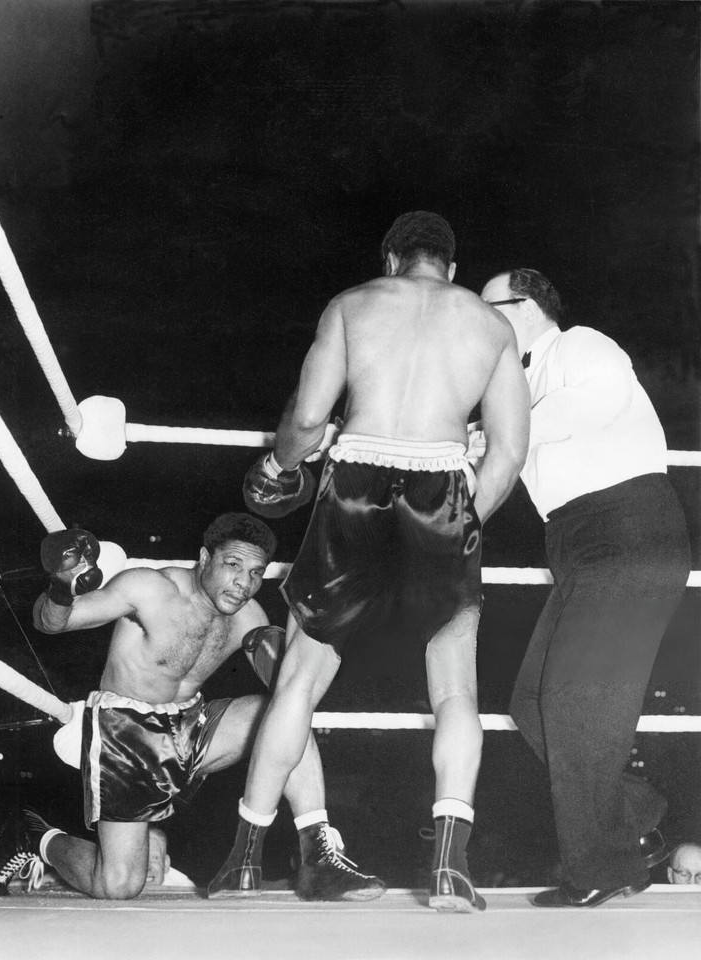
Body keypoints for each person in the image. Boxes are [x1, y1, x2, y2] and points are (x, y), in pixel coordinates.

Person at [209, 212, 530, 912]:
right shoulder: (490, 325)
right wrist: (462, 516)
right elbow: (507, 456)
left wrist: (279, 464)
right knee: (454, 690)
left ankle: (242, 862)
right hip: (442, 488)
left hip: (354, 480)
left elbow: (305, 421)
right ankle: (450, 866)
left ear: (391, 258)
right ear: (452, 263)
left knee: (297, 680)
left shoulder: (353, 305)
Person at [0, 512, 384, 901]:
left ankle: (319, 854)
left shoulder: (248, 616)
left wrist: (319, 625)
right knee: (118, 884)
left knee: (289, 715)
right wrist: (61, 587)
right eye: (233, 565)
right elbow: (54, 622)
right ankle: (34, 837)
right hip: (127, 734)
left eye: (256, 573)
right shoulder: (149, 588)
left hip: (193, 724)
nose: (244, 583)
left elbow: (290, 681)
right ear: (205, 558)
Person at [479, 268, 691, 908]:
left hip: (628, 533)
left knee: (572, 700)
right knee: (532, 699)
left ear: (526, 307)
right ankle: (635, 814)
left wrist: (497, 433)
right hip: (581, 547)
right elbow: (499, 449)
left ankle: (602, 865)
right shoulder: (516, 385)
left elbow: (582, 411)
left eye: (488, 309)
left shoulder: (581, 347)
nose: (477, 322)